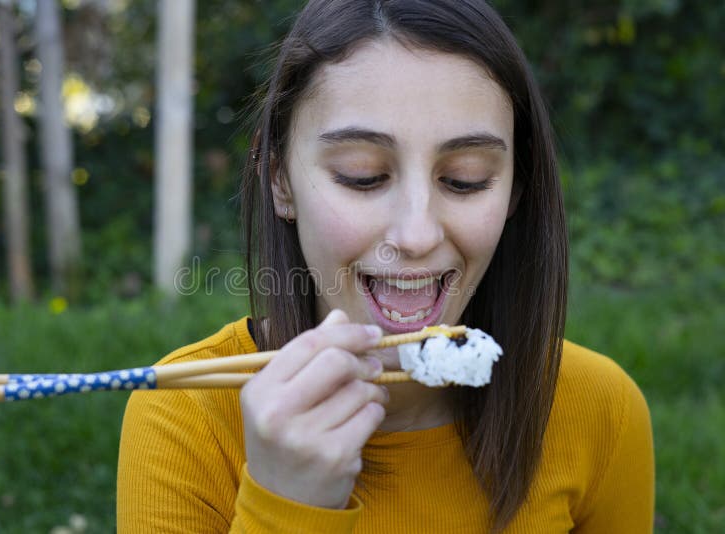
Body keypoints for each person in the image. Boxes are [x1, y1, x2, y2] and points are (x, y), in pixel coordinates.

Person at [117, 1, 654, 532]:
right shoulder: (183, 417)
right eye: (363, 175)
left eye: (465, 179)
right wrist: (286, 503)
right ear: (280, 179)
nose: (417, 235)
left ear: (516, 187)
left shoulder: (600, 409)